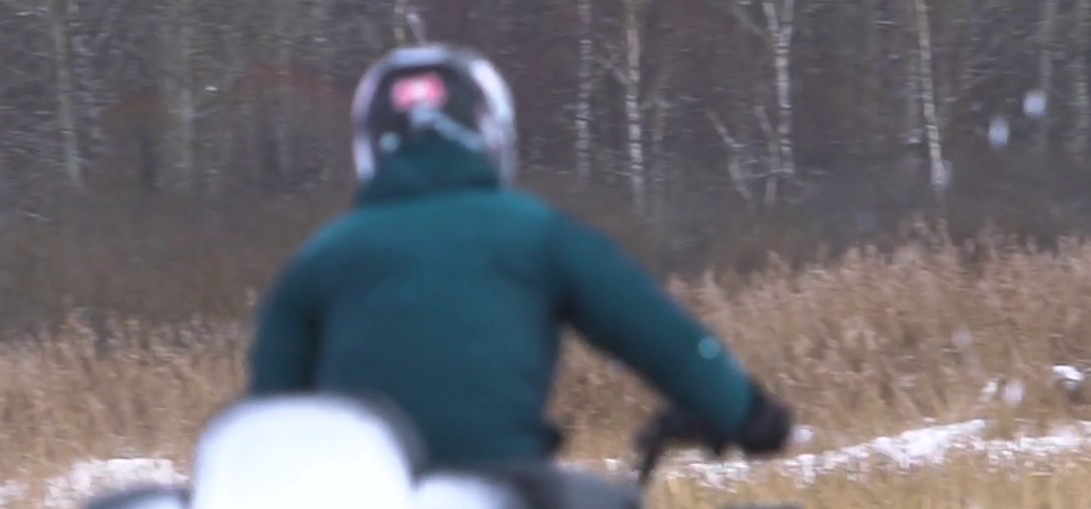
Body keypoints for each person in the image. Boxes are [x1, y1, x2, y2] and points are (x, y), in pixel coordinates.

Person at [246, 42, 793, 468]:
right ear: (491, 134)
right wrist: (745, 413)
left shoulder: (320, 259)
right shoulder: (538, 236)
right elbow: (659, 338)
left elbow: (269, 417)